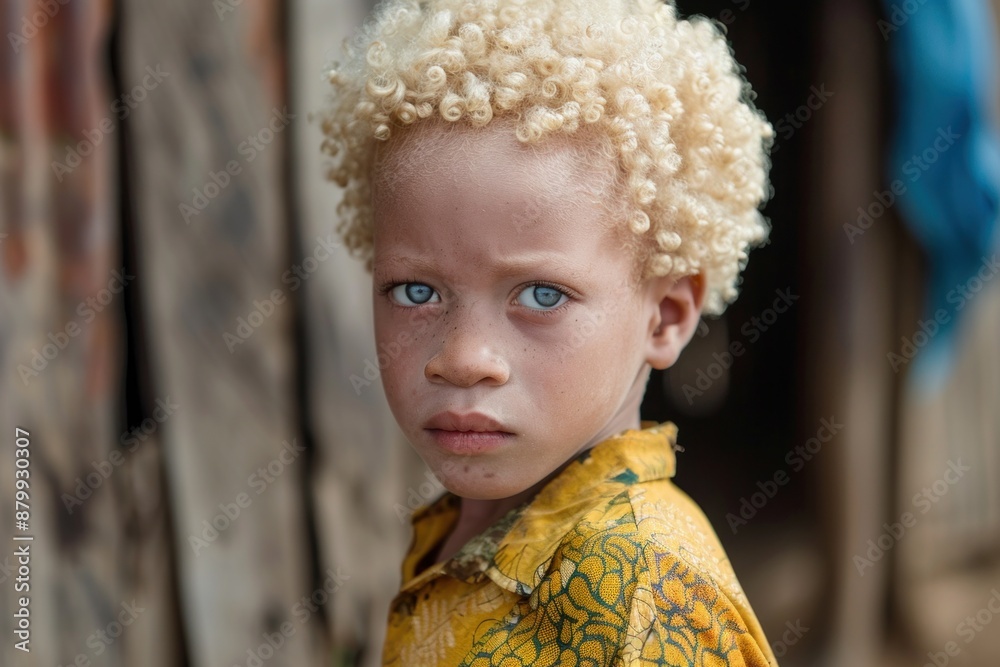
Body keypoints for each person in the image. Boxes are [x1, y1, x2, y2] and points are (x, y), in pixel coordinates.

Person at [320, 0, 776, 664]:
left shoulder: (647, 598)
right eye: (417, 291)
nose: (464, 358)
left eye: (541, 294)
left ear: (667, 315)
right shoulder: (460, 531)